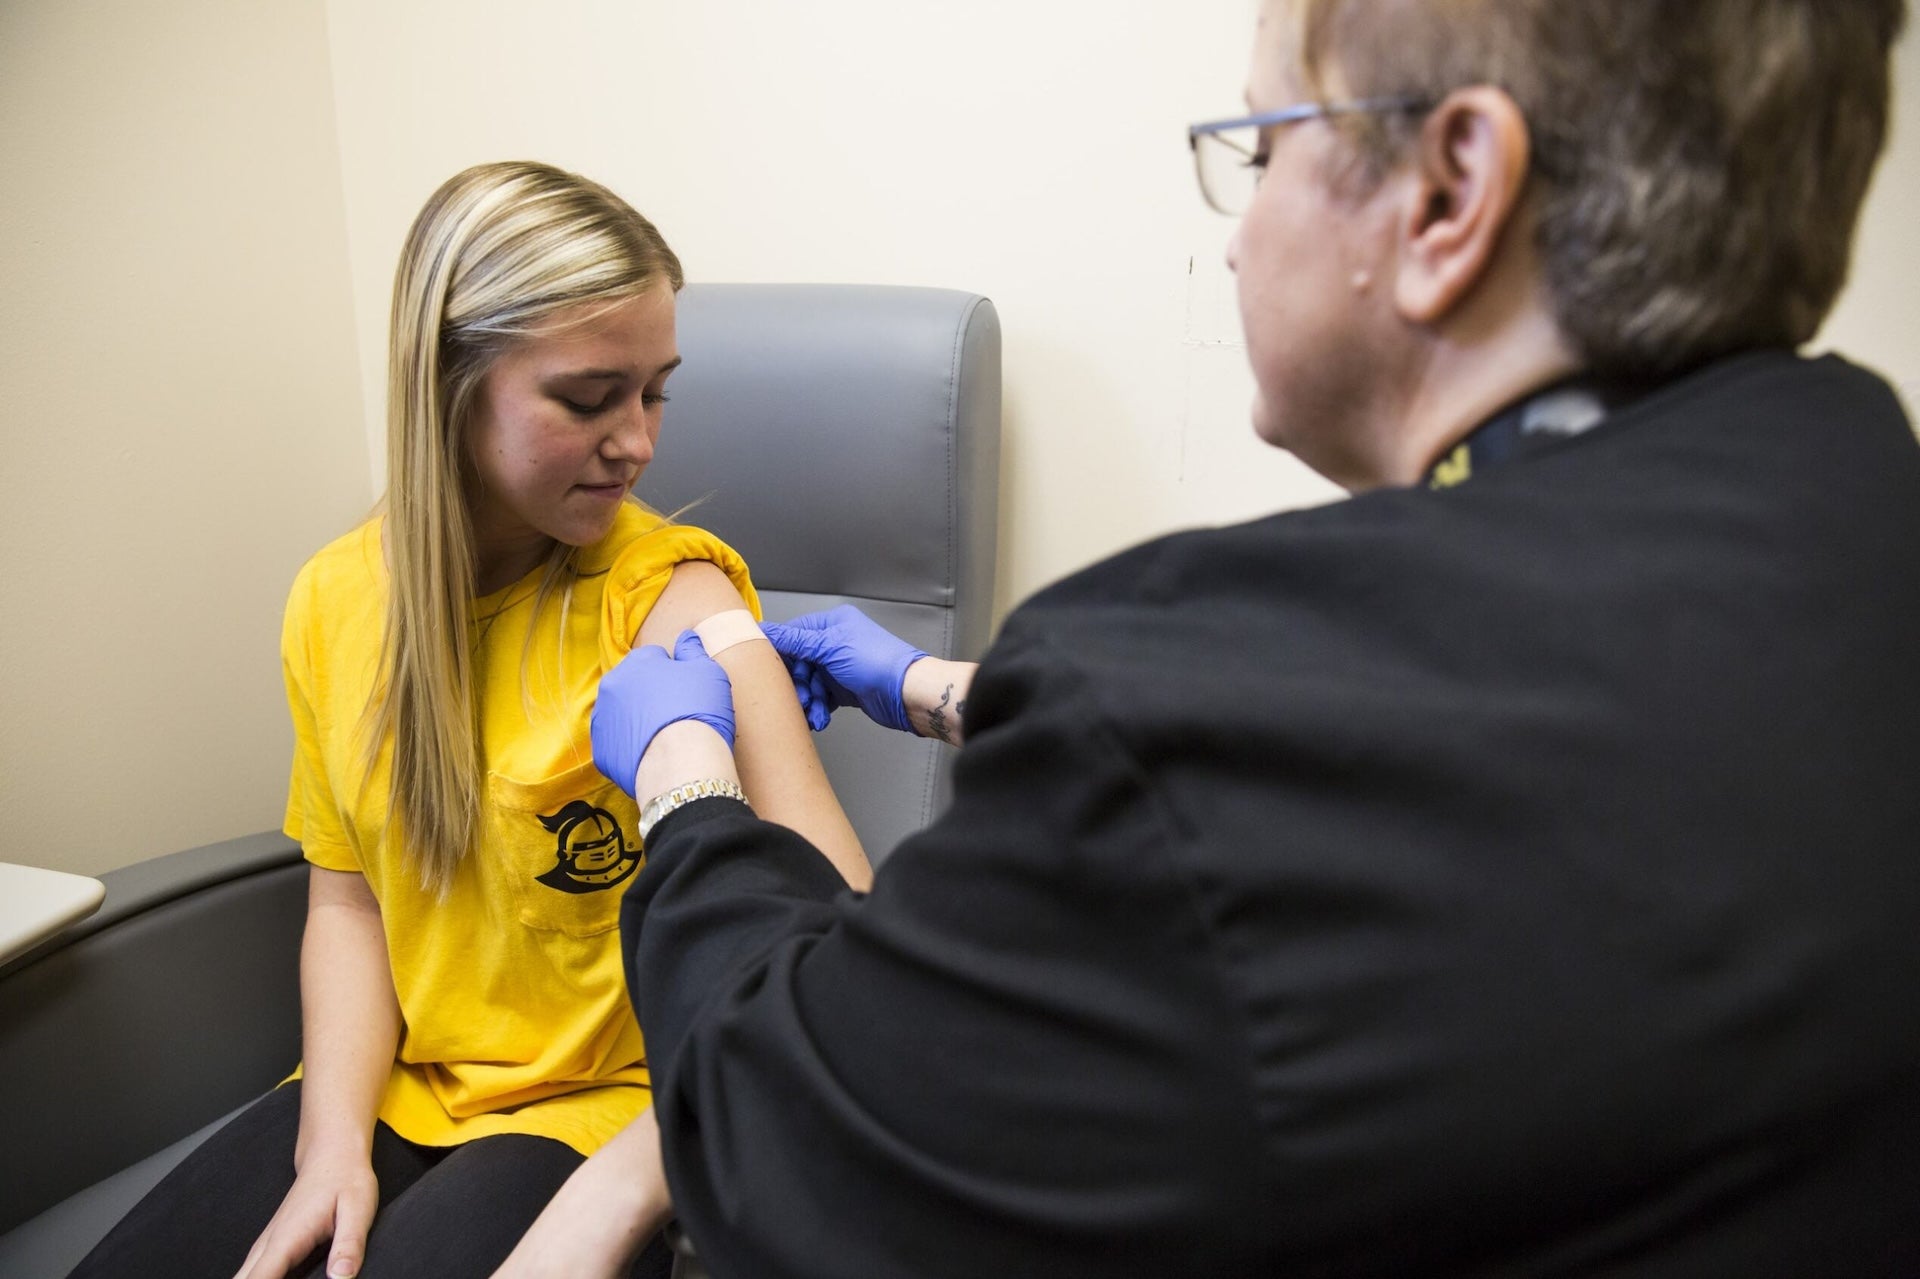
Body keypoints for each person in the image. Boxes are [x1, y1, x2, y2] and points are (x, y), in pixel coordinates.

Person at [578, 0, 1920, 1274]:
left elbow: (790, 1148)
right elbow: (1495, 752)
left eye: (1263, 147)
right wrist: (941, 689)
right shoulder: (1858, 502)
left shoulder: (1172, 704)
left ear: (1448, 194)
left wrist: (689, 783)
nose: (1233, 238)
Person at [67, 160, 868, 1279]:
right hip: (403, 1081)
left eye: (656, 392)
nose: (638, 442)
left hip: (606, 1108)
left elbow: (842, 944)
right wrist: (332, 1143)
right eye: (590, 399)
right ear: (450, 381)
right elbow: (349, 901)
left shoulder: (674, 602)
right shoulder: (334, 602)